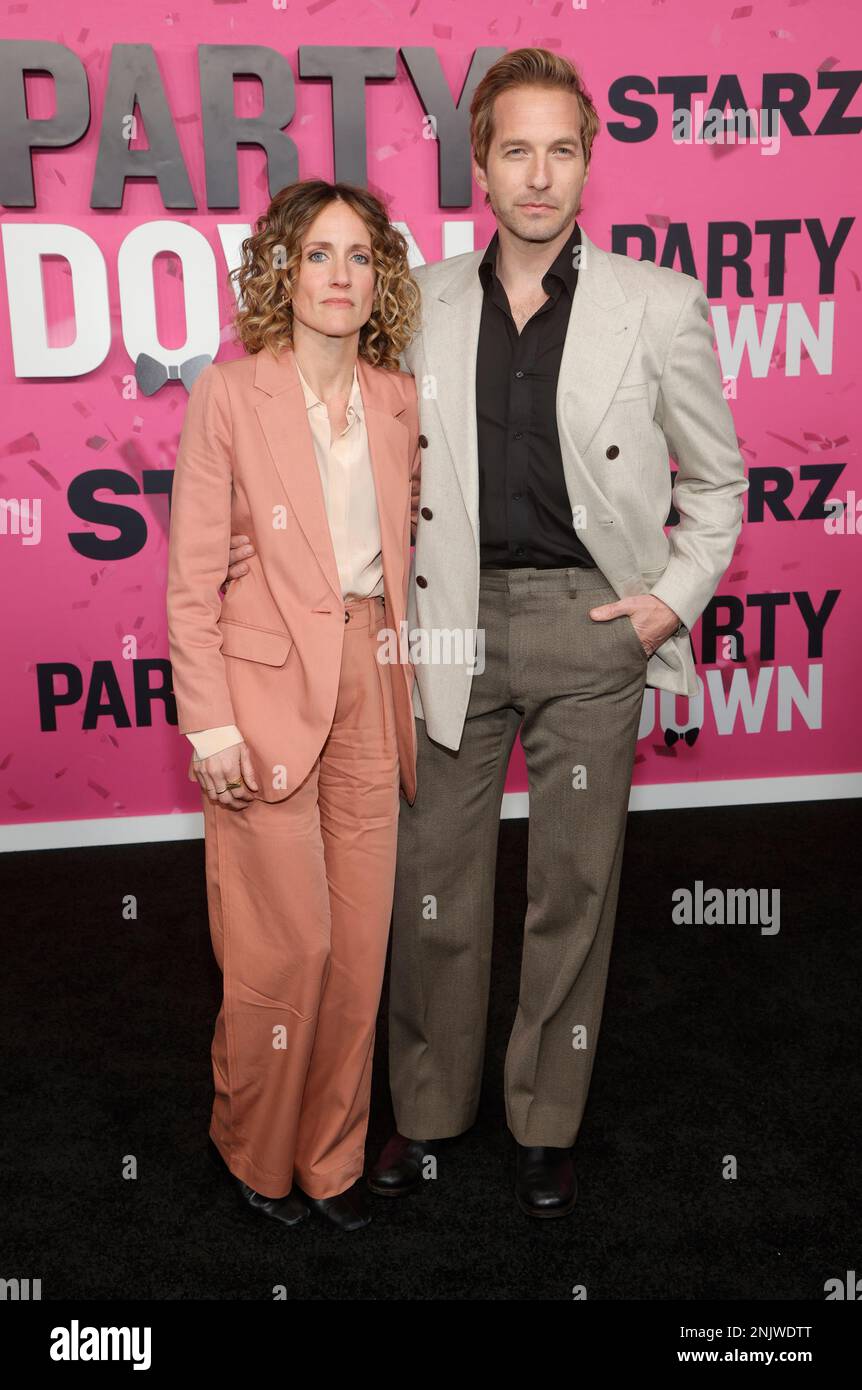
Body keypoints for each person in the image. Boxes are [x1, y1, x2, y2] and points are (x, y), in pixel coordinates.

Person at [226, 47, 749, 1220]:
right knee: (433, 888)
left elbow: (718, 482)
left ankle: (545, 1120)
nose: (539, 174)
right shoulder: (419, 302)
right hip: (445, 630)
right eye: (515, 148)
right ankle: (425, 1114)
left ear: (586, 163)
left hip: (590, 623)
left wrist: (670, 597)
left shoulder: (657, 306)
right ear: (479, 162)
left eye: (561, 148)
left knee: (572, 887)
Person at [166, 178, 421, 1231]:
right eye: (317, 254)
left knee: (360, 951)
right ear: (283, 268)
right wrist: (211, 724)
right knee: (288, 947)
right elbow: (192, 580)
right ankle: (255, 1151)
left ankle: (331, 1159)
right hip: (264, 696)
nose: (339, 276)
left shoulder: (397, 397)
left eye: (359, 256)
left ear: (381, 280)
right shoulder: (230, 393)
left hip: (372, 679)